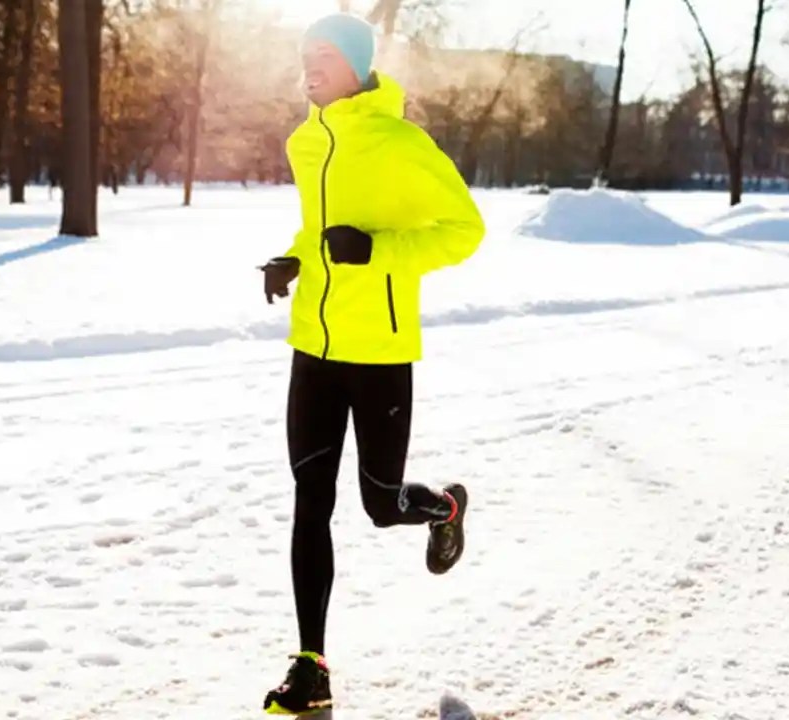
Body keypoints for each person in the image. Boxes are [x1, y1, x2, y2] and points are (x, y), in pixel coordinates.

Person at [258, 12, 486, 717]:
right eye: (305, 53)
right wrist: (294, 257)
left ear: (357, 64)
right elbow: (319, 222)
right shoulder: (305, 141)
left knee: (381, 505)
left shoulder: (400, 141)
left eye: (324, 54)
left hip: (380, 352)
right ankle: (311, 666)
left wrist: (378, 253)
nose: (311, 64)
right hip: (314, 350)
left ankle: (444, 507)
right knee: (309, 504)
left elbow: (463, 230)